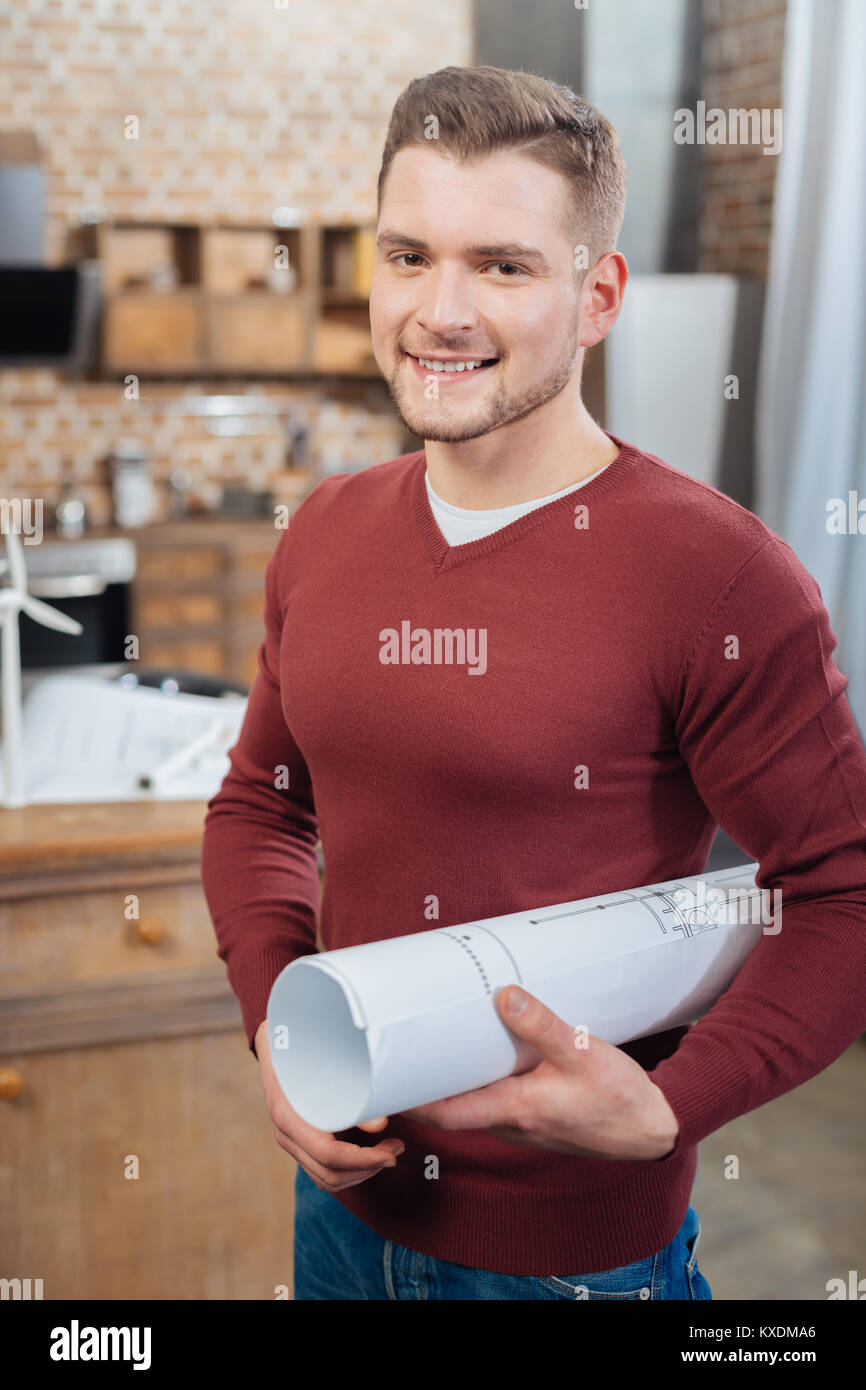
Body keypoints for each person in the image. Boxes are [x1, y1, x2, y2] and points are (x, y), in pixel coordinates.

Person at [201, 64, 866, 1301]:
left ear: (596, 293)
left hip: (571, 1268)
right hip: (338, 1222)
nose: (438, 310)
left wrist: (672, 1106)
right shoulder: (326, 530)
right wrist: (273, 1034)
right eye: (408, 256)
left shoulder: (716, 575)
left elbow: (839, 887)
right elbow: (259, 805)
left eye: (500, 266)